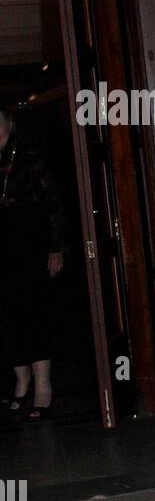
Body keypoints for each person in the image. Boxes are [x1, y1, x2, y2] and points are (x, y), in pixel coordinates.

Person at [0, 103, 67, 421]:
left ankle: (43, 385)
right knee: (8, 315)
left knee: (35, 313)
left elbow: (53, 200)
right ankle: (21, 379)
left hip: (30, 244)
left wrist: (56, 247)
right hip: (3, 248)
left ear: (8, 122)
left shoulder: (27, 152)